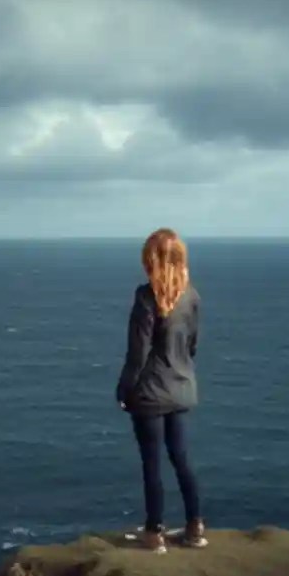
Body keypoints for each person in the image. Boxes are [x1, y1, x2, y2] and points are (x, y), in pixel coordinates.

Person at [115, 228, 207, 554]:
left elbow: (137, 355)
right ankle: (195, 526)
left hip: (150, 393)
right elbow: (192, 345)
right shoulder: (192, 296)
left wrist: (124, 391)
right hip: (181, 388)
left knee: (152, 463)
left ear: (151, 260)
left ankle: (155, 533)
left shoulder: (145, 297)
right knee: (180, 457)